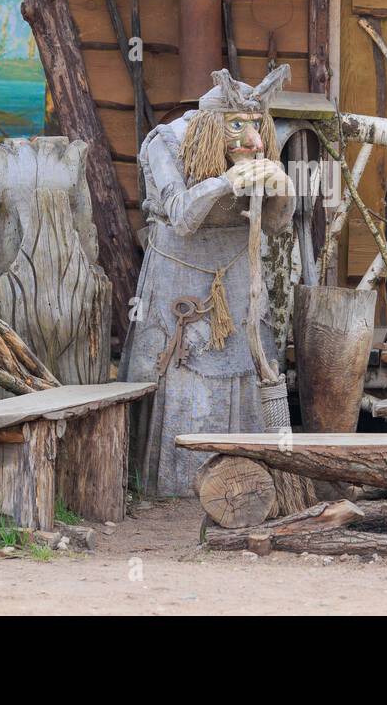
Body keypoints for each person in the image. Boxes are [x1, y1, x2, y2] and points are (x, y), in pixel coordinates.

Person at [121, 66, 295, 498]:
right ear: (211, 125)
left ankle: (251, 482)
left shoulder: (255, 150)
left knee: (245, 366)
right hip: (179, 281)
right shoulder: (167, 143)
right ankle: (176, 485)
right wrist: (224, 182)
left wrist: (283, 190)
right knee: (185, 369)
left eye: (257, 128)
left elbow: (274, 226)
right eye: (237, 126)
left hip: (237, 282)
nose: (252, 141)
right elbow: (180, 215)